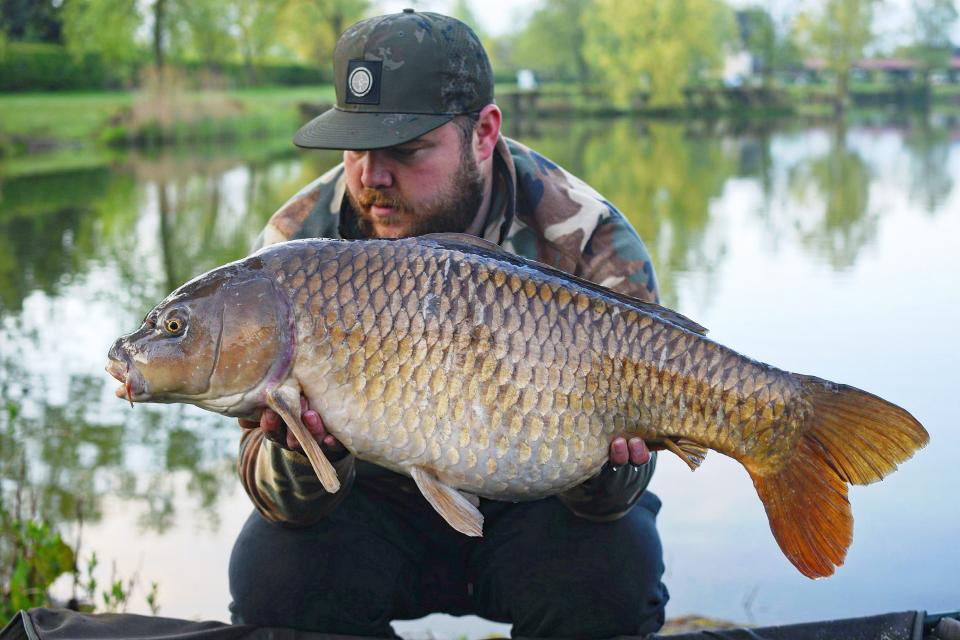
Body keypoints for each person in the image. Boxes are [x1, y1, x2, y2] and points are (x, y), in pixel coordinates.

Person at [229, 10, 668, 638]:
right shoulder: (294, 251)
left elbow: (615, 498)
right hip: (370, 503)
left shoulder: (587, 237)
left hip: (538, 505)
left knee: (615, 567)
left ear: (483, 134)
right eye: (355, 147)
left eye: (406, 150)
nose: (372, 177)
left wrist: (612, 466)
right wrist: (305, 455)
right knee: (271, 573)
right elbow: (271, 491)